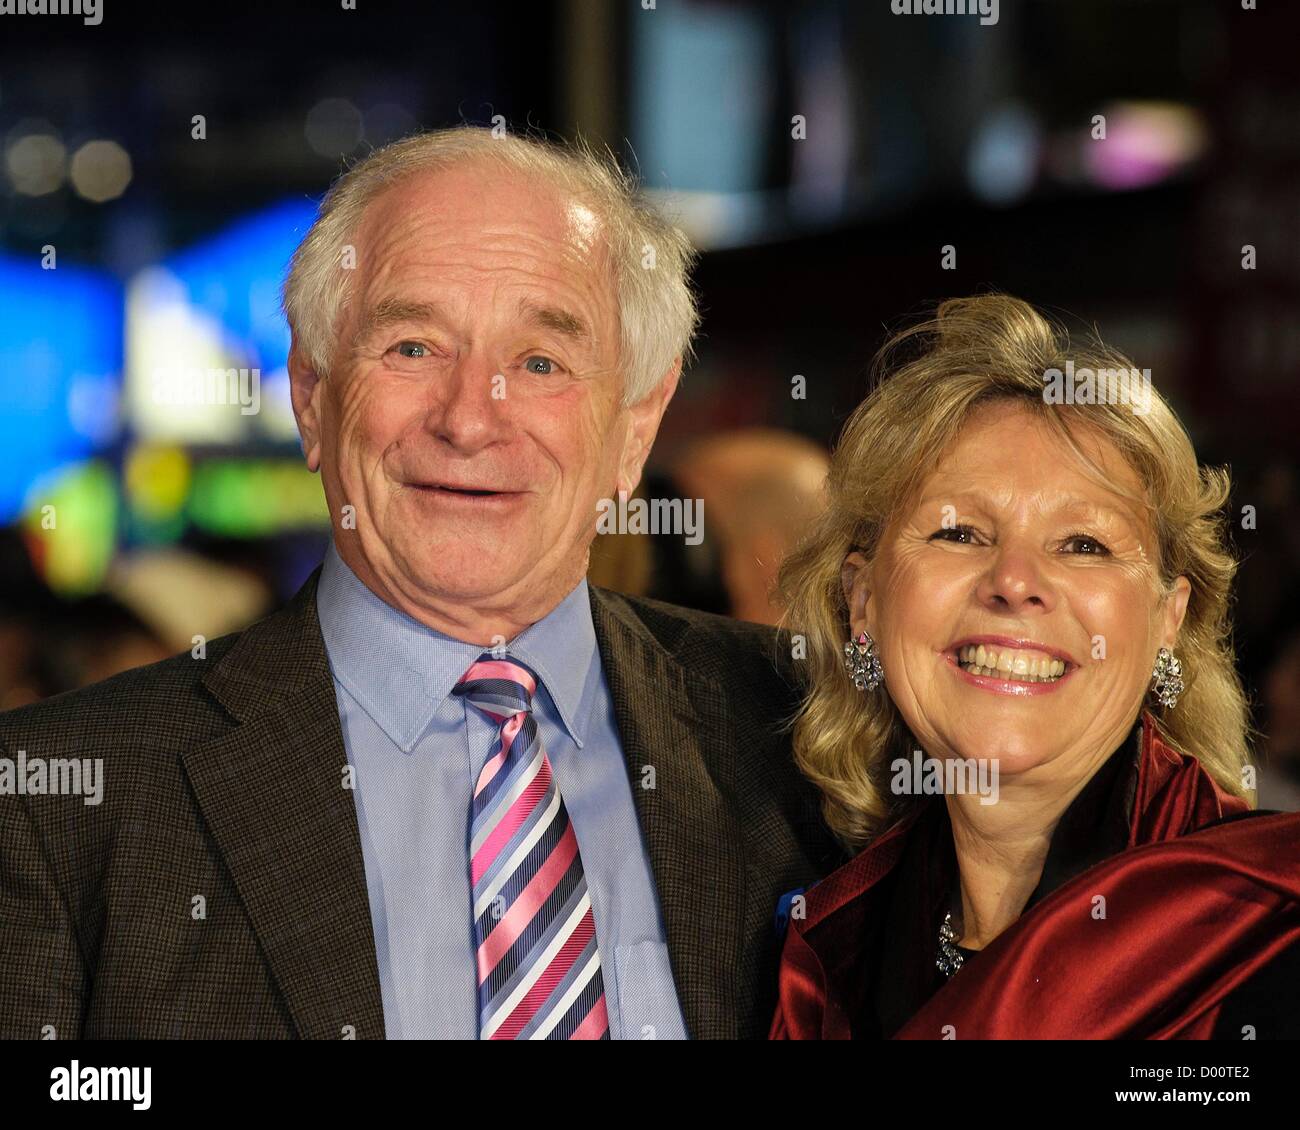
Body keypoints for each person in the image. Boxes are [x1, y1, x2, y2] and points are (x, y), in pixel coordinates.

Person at [0, 127, 841, 1041]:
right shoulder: (52, 809)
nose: (471, 419)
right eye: (411, 347)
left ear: (636, 428)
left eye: (541, 363)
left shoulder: (810, 735)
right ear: (312, 395)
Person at [769, 294, 1300, 1039]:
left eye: (1083, 544)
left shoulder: (1273, 924)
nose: (1014, 581)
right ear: (862, 603)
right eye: (958, 532)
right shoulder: (823, 952)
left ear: (1167, 621)